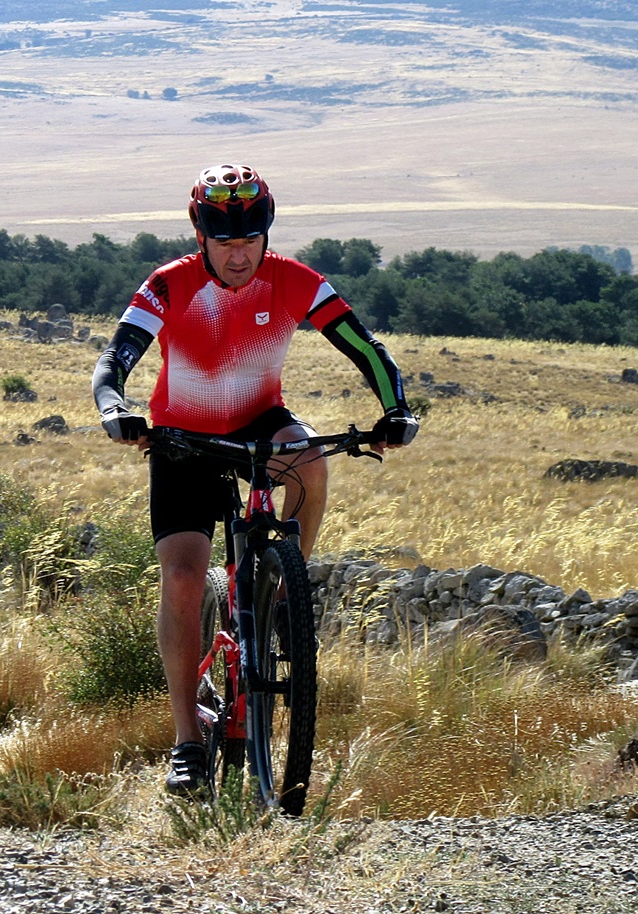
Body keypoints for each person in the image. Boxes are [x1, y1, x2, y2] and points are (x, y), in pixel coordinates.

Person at [91, 163, 419, 796]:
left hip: (259, 425)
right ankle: (188, 741)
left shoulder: (296, 281)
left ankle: (278, 591)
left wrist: (395, 409)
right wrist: (115, 409)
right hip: (182, 439)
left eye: (250, 240)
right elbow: (115, 360)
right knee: (184, 577)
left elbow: (366, 347)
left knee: (309, 459)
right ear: (201, 234)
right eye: (224, 241)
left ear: (266, 233)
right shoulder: (169, 285)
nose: (239, 255)